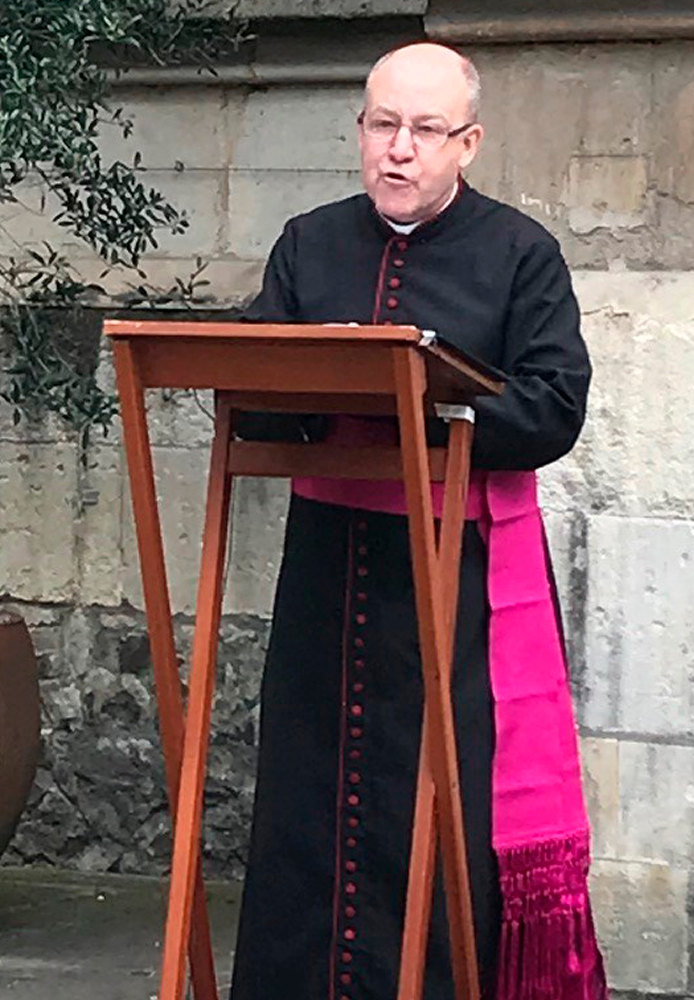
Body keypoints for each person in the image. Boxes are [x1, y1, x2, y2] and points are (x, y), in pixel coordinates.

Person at [229, 42, 606, 1000]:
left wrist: (440, 406)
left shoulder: (522, 255)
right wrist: (309, 392)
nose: (398, 150)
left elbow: (554, 405)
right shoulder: (309, 244)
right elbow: (253, 382)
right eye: (381, 125)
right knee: (311, 808)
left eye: (424, 130)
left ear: (466, 143)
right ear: (360, 131)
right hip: (327, 579)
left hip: (455, 590)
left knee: (438, 815)